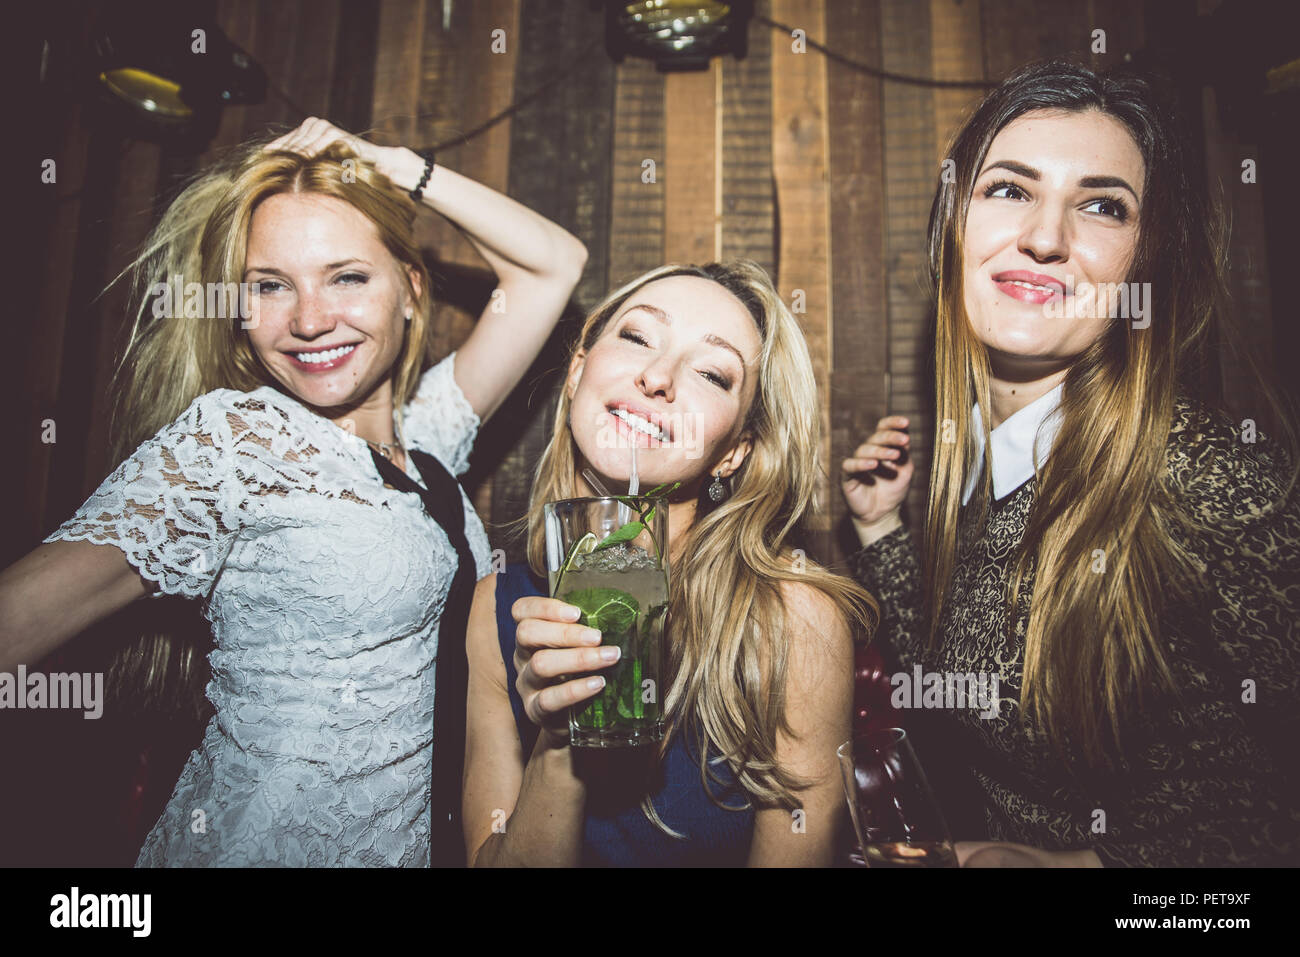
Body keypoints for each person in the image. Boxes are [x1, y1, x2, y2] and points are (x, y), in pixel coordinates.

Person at [0, 117, 588, 866]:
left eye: (348, 277)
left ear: (411, 289)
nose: (310, 320)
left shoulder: (428, 444)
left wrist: (395, 166)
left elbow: (553, 266)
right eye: (270, 286)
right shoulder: (236, 443)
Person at [841, 60, 1299, 866]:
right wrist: (880, 528)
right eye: (1009, 189)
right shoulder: (981, 462)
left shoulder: (1206, 479)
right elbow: (965, 677)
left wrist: (1080, 865)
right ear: (953, 224)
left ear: (1145, 261)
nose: (1046, 237)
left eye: (1101, 205)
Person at [462, 260, 879, 866]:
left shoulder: (795, 623)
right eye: (637, 337)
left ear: (734, 452)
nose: (658, 377)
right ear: (578, 371)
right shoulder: (496, 607)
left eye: (711, 373)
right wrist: (560, 741)